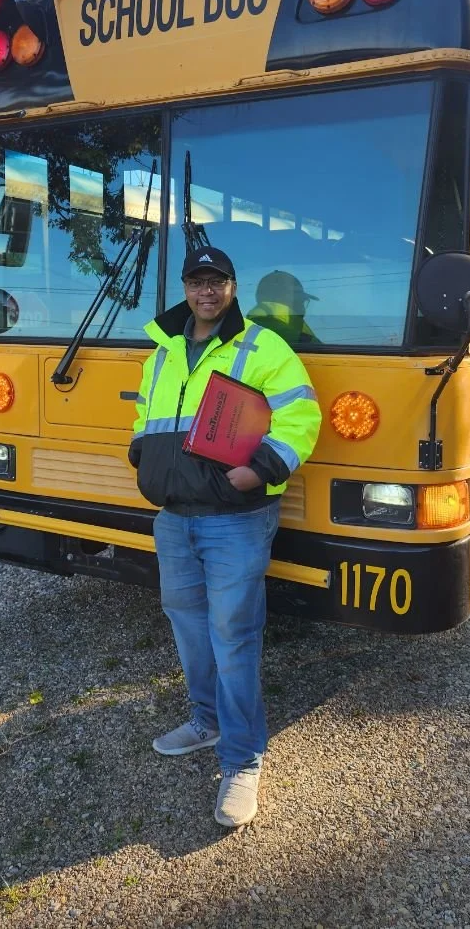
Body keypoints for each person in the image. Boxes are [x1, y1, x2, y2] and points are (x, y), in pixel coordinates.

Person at [128, 247, 321, 828]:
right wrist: (140, 452)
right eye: (197, 281)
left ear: (234, 288)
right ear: (185, 288)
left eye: (217, 282)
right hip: (174, 517)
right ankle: (205, 720)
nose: (206, 291)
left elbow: (301, 415)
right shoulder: (163, 348)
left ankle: (242, 760)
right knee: (187, 626)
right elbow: (145, 413)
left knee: (233, 636)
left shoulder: (263, 346)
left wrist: (260, 470)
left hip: (234, 518)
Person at [247, 270, 320, 346]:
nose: (303, 309)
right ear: (285, 298)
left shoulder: (242, 332)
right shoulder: (302, 340)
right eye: (301, 301)